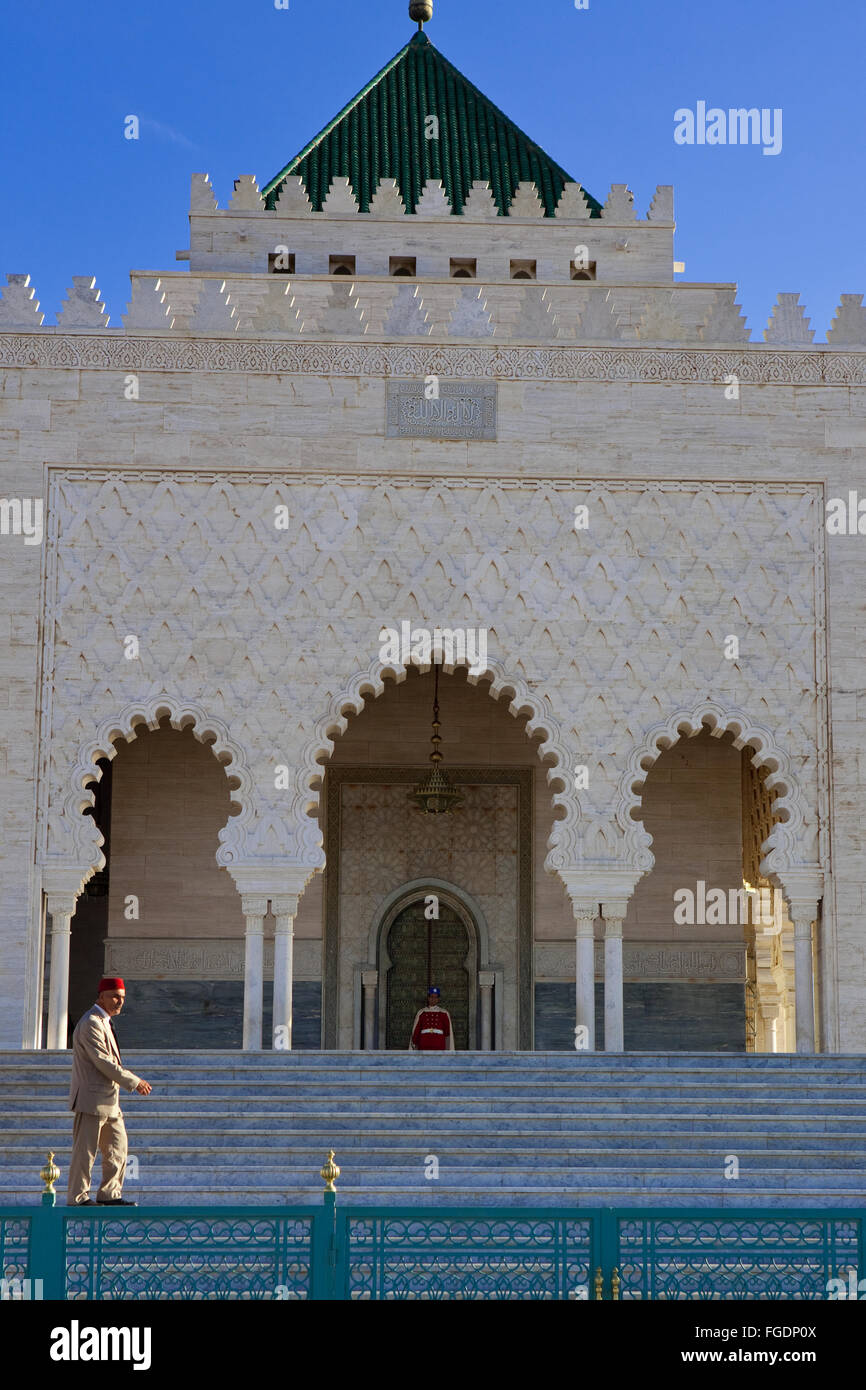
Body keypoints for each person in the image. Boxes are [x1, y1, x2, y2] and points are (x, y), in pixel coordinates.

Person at [67, 977, 152, 1206]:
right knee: (85, 1152)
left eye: (122, 997)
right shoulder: (91, 1022)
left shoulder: (105, 1021)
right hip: (91, 1099)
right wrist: (133, 1081)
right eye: (114, 996)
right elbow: (103, 1061)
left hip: (110, 1100)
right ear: (101, 996)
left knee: (118, 1148)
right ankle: (78, 1196)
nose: (119, 1001)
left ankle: (110, 1194)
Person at [408, 986, 455, 1051]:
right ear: (428, 998)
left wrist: (449, 1049)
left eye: (436, 997)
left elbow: (448, 1033)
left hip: (439, 1044)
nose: (433, 999)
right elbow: (416, 1030)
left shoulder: (444, 1013)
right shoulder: (422, 1012)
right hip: (424, 1044)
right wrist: (414, 1045)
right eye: (431, 997)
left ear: (438, 999)